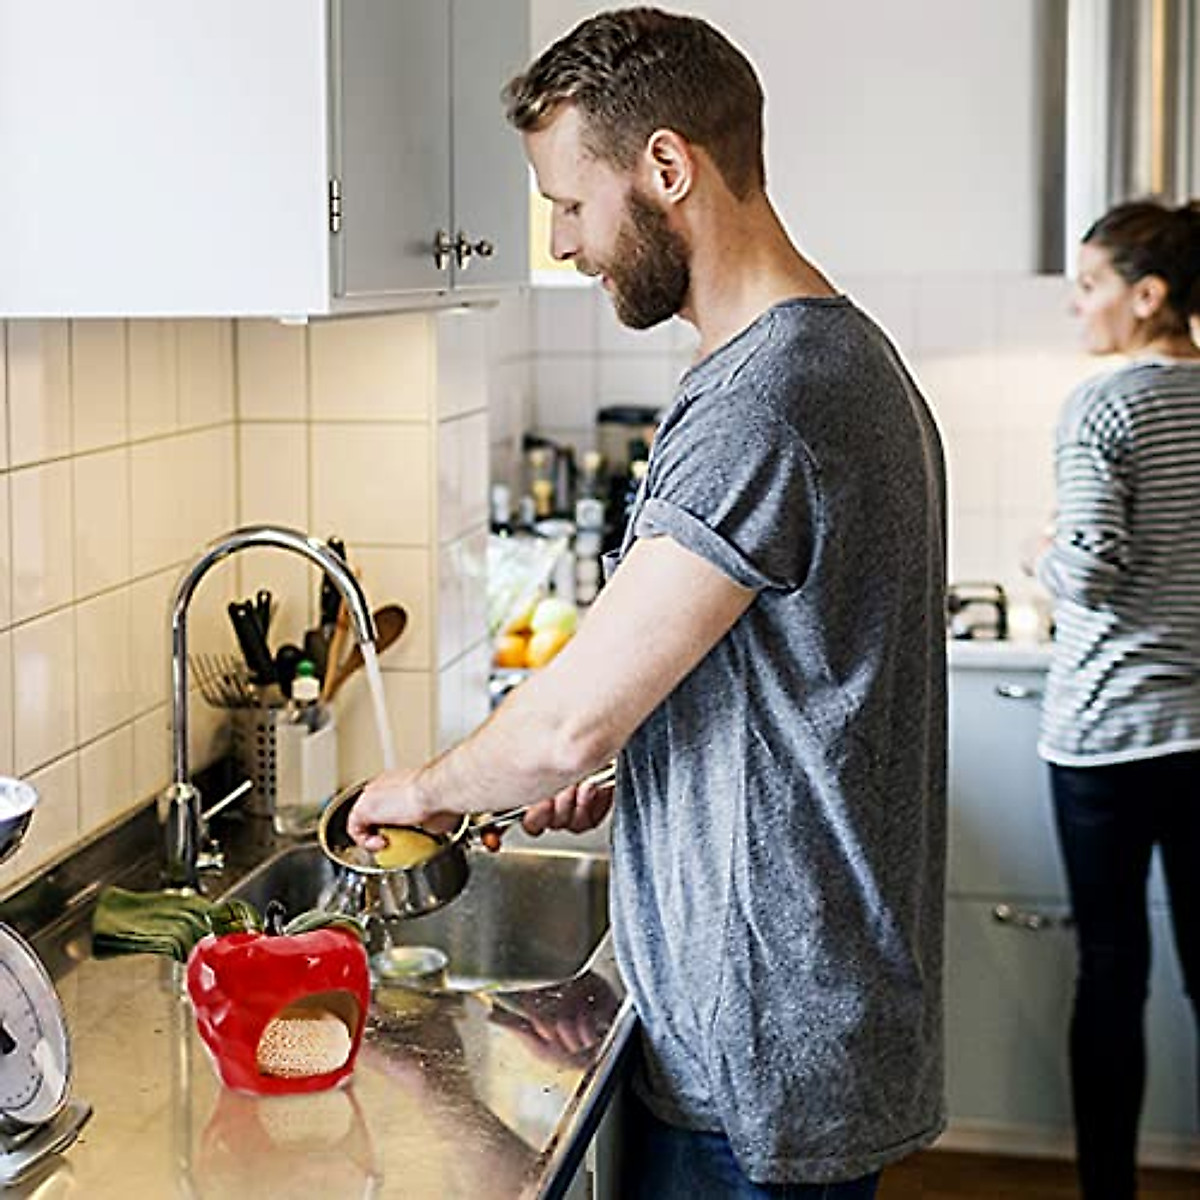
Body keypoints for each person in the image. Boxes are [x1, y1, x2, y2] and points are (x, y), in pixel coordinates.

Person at [349, 9, 948, 1196]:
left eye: (571, 204)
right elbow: (809, 691)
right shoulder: (829, 360)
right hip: (786, 1029)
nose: (564, 244)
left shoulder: (766, 402)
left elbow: (569, 718)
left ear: (667, 168)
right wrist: (652, 767)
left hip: (760, 1052)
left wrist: (412, 791)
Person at [1031, 199, 1200, 1200]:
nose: (1077, 307)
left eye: (1090, 286)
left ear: (1148, 296)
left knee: (1110, 969)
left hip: (1106, 739)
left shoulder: (1106, 405)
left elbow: (1089, 571)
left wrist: (1035, 551)